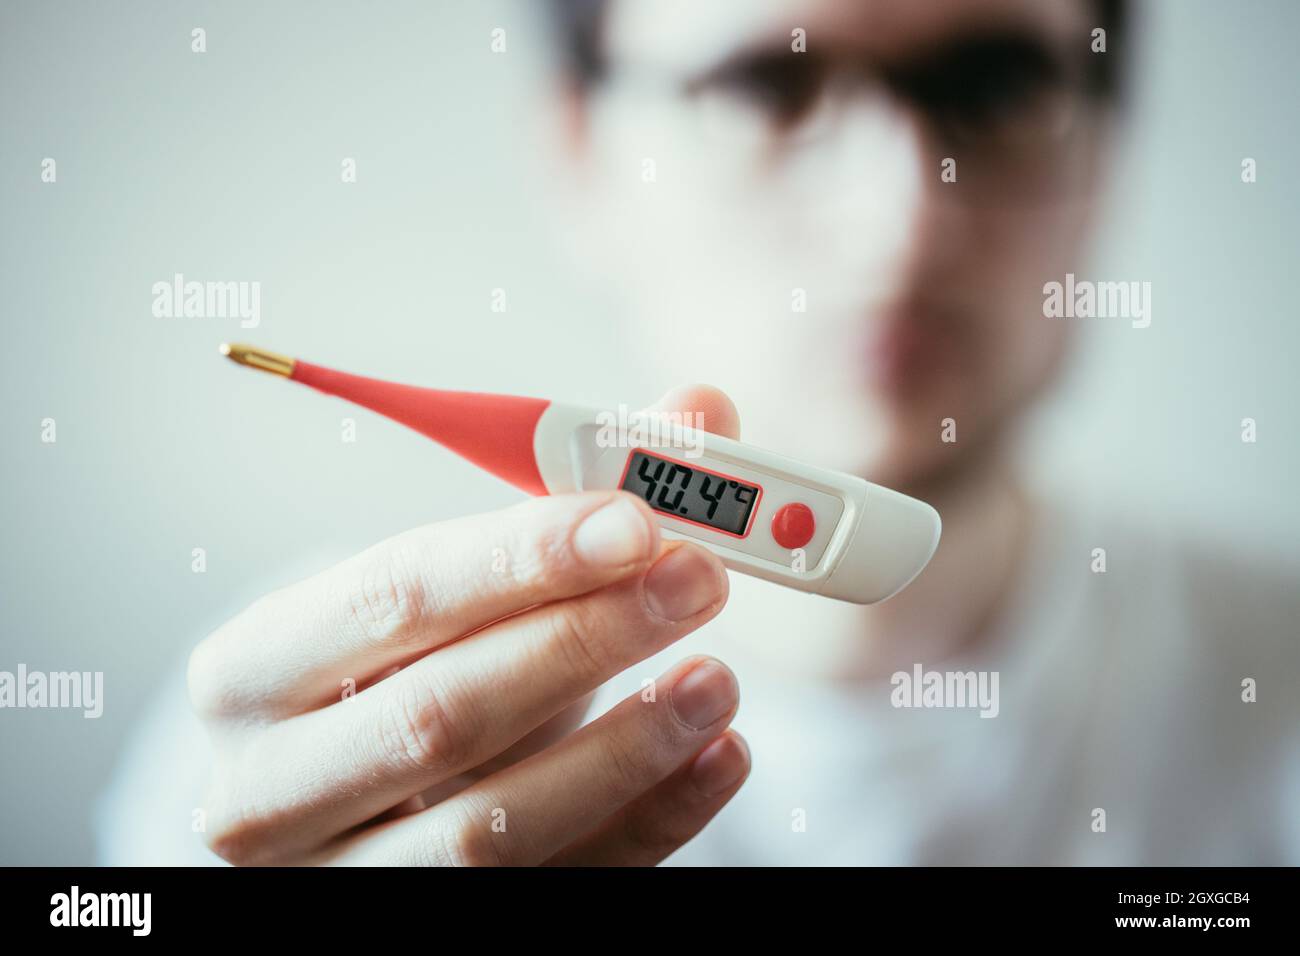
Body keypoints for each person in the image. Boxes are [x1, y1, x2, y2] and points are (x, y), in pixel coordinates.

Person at [99, 0, 1300, 865]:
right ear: (577, 157)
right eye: (762, 86)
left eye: (995, 88)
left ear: (1110, 155)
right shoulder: (299, 748)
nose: (899, 221)